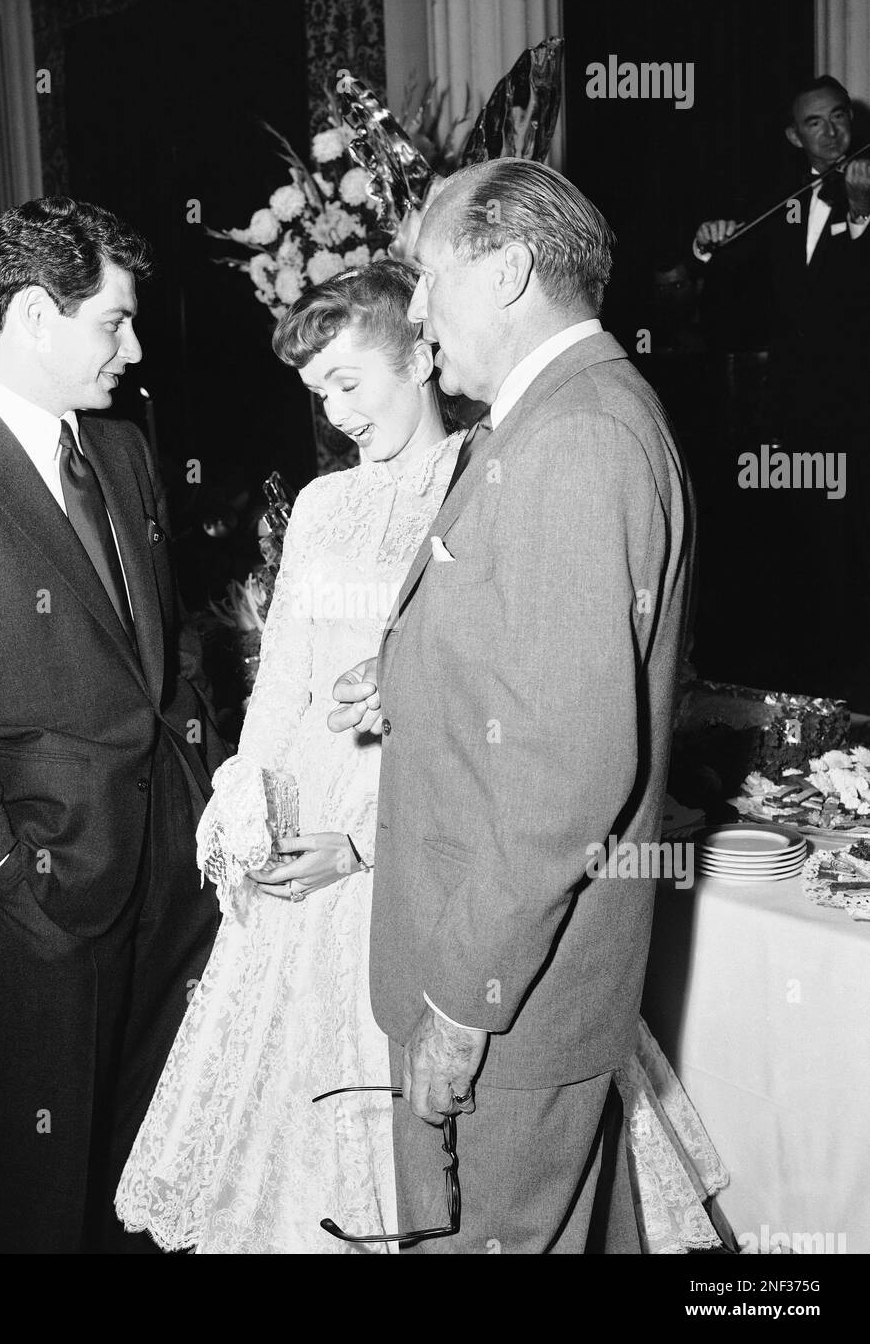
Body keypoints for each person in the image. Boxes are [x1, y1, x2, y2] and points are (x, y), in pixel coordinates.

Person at [331, 159, 697, 1253]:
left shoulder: (574, 438)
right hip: (517, 980)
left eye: (430, 277)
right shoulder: (553, 415)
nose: (419, 308)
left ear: (507, 270)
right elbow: (529, 659)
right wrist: (410, 668)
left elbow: (564, 772)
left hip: (504, 991)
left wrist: (459, 1002)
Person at [0, 196, 226, 1253]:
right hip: (50, 885)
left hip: (172, 863)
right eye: (114, 320)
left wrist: (206, 789)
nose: (136, 347)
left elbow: (169, 642)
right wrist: (7, 870)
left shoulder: (122, 451)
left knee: (153, 1146)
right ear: (30, 316)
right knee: (44, 1172)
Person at [116, 260, 464, 1252]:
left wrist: (361, 839)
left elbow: (492, 710)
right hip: (306, 819)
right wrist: (247, 792)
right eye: (320, 393)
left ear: (426, 353)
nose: (336, 411)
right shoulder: (321, 504)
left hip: (410, 836)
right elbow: (285, 682)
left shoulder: (486, 483)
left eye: (351, 382)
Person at [692, 75, 870, 704]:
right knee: (803, 548)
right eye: (817, 123)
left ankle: (855, 685)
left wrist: (860, 215)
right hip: (793, 411)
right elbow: (740, 292)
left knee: (854, 547)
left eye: (841, 118)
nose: (833, 132)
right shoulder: (785, 201)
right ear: (796, 136)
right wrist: (710, 247)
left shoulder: (864, 194)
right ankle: (809, 680)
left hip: (859, 413)